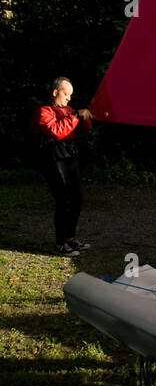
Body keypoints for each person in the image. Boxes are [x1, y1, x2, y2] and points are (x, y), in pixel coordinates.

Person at [31, 77, 92, 257]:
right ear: (55, 92)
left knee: (77, 198)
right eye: (66, 94)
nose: (69, 98)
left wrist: (85, 118)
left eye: (70, 95)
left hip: (69, 156)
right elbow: (55, 131)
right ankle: (60, 243)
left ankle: (70, 239)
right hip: (53, 158)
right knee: (63, 199)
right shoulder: (43, 111)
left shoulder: (68, 110)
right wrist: (74, 116)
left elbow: (82, 130)